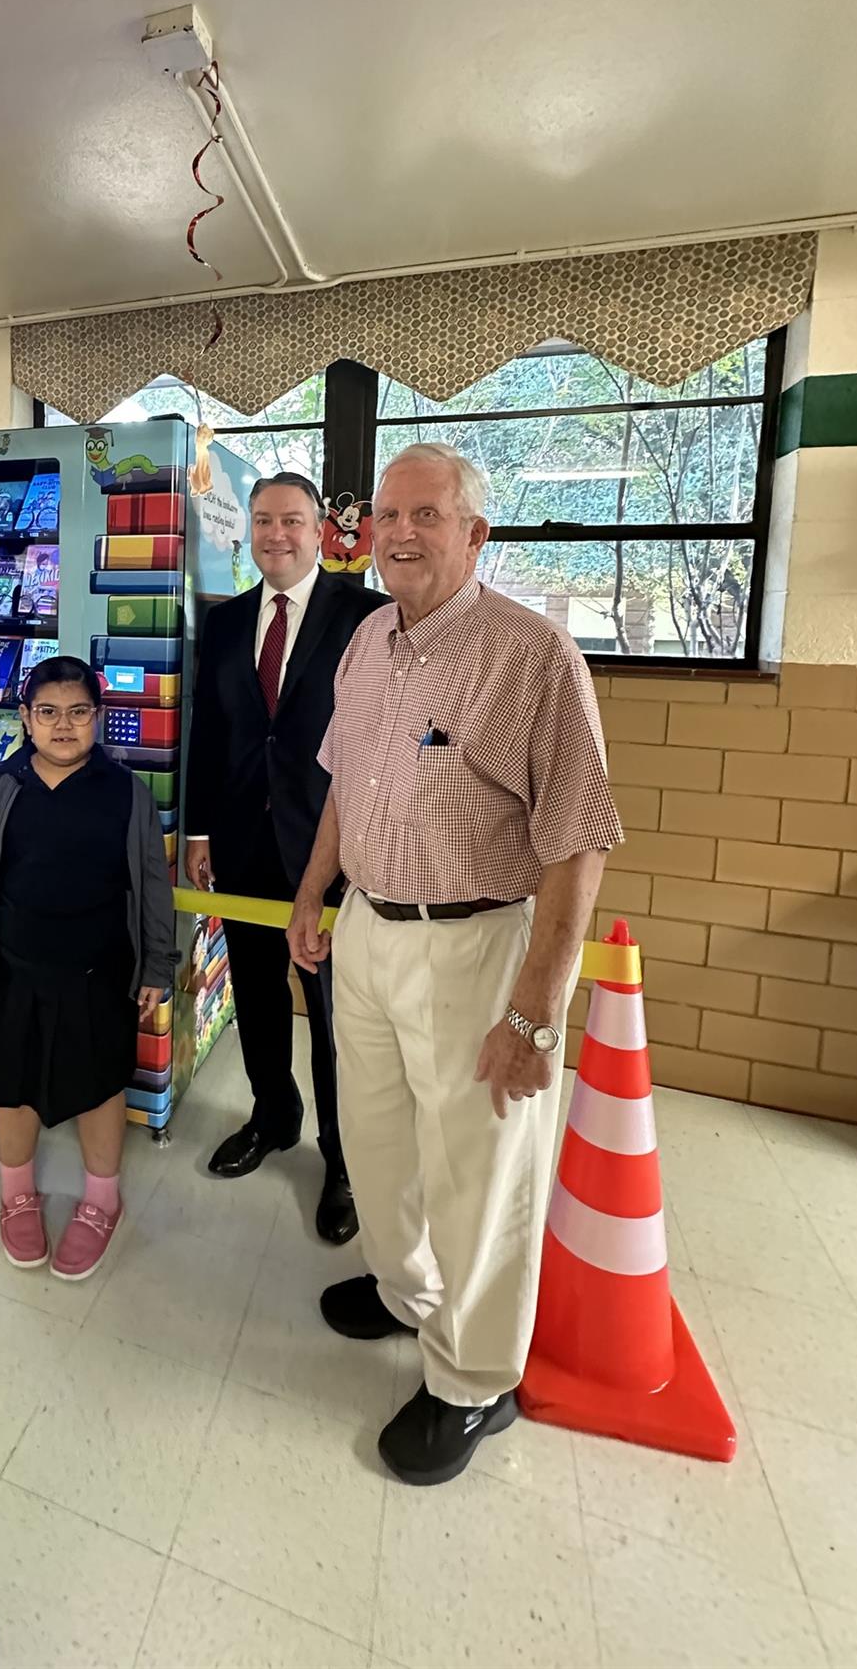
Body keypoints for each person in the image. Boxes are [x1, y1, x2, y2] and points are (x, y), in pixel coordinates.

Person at [288, 442, 622, 1486]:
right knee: (376, 1138)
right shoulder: (365, 642)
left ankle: (476, 1381)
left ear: (477, 533)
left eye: (427, 515)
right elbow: (344, 782)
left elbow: (579, 840)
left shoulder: (534, 654)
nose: (398, 533)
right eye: (387, 514)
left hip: (478, 943)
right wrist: (312, 892)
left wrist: (535, 1009)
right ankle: (403, 1291)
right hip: (369, 932)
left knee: (478, 1167)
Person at [185, 472, 387, 1242]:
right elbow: (213, 730)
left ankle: (342, 1161)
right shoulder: (228, 619)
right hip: (240, 843)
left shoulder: (366, 615)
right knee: (257, 998)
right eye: (263, 519)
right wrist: (199, 830)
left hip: (327, 852)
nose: (276, 533)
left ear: (322, 532)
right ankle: (274, 1118)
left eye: (291, 520)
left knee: (334, 1015)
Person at [0, 655, 176, 1282]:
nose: (63, 726)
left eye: (78, 713)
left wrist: (156, 962)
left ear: (98, 718)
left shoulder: (125, 793)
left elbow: (151, 883)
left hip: (100, 972)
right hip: (9, 968)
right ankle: (18, 1194)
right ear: (25, 718)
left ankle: (102, 1200)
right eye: (48, 712)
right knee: (12, 1086)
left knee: (98, 1087)